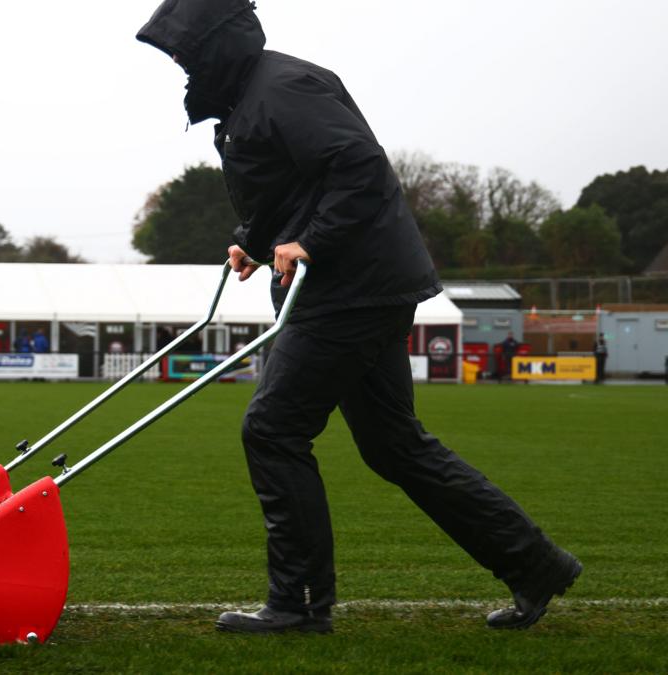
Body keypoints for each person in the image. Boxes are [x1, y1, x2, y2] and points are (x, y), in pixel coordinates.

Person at [137, 0, 580, 635]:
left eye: (185, 51)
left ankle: (298, 604)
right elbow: (292, 187)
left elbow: (361, 170)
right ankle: (536, 564)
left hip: (350, 288)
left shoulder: (285, 88)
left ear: (218, 44)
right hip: (354, 284)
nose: (180, 64)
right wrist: (256, 240)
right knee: (394, 446)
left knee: (273, 428)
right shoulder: (248, 98)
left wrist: (309, 242)